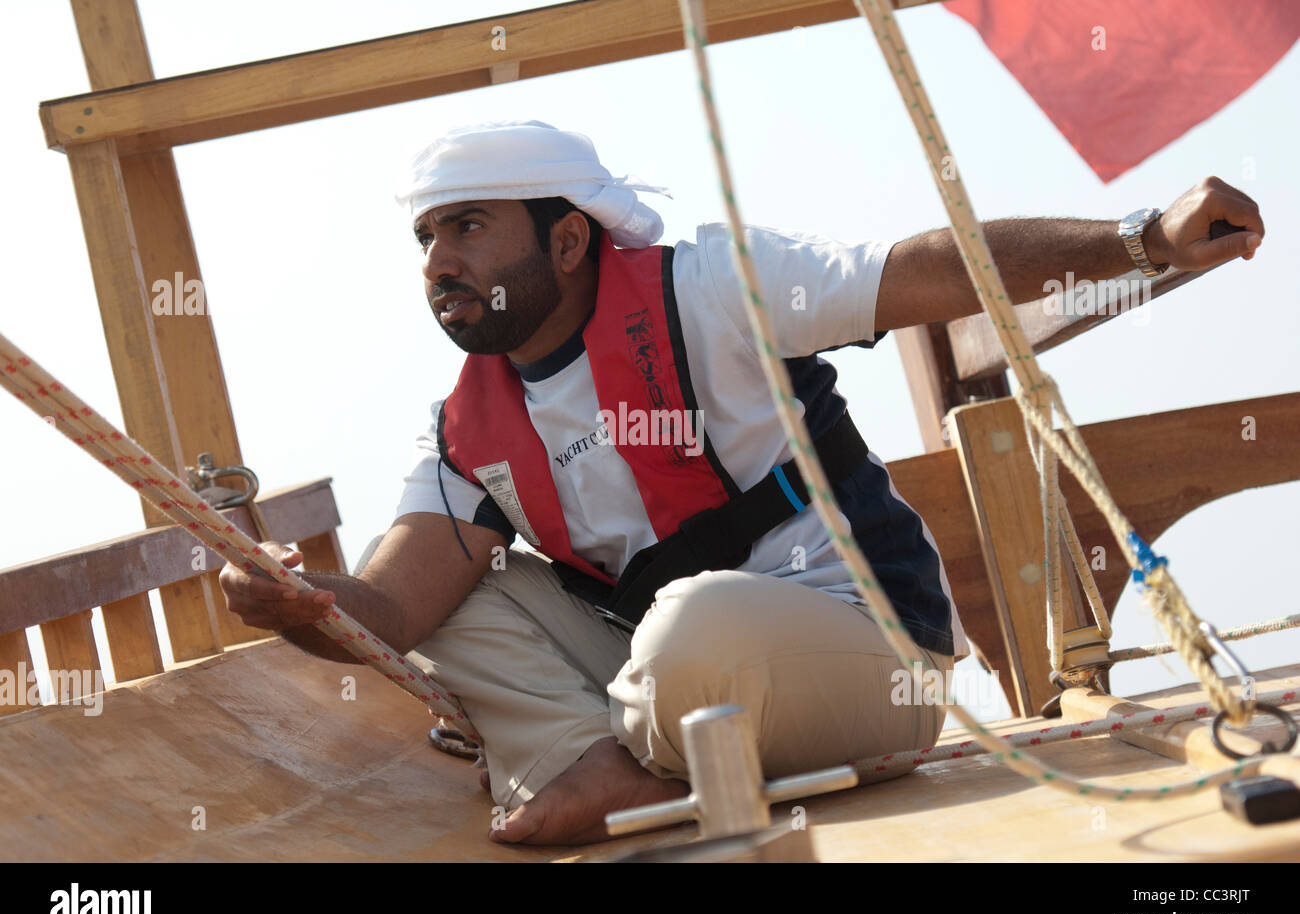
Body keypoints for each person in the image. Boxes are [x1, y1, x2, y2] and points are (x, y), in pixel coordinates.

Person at [219, 120, 1264, 846]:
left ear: (569, 237)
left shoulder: (712, 287)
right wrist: (291, 604)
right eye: (425, 236)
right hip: (672, 677)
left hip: (861, 656)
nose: (436, 259)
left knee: (694, 627)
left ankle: (594, 762)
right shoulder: (464, 435)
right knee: (470, 607)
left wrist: (1142, 239)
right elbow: (389, 610)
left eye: (466, 226)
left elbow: (924, 271)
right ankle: (616, 766)